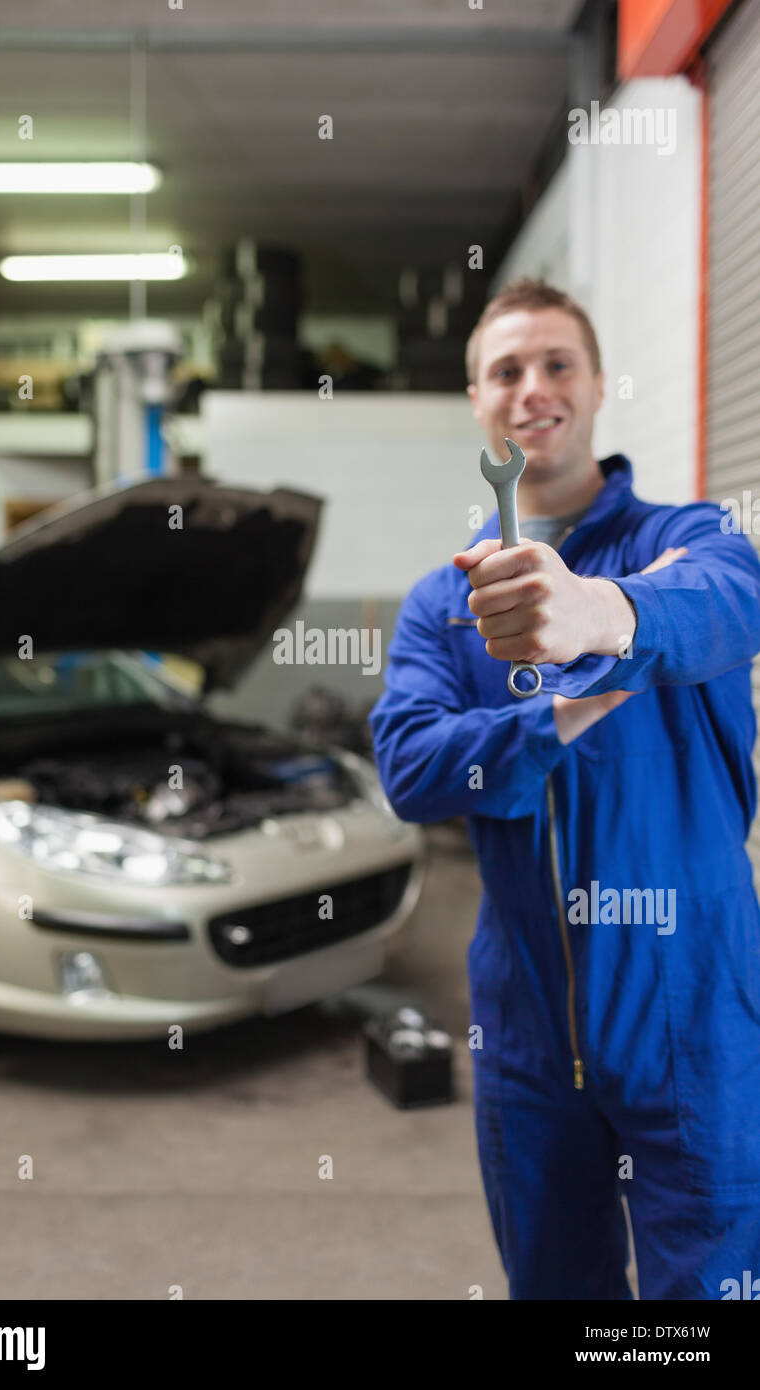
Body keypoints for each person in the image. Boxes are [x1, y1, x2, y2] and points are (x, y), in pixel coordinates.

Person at [369, 277, 760, 1301]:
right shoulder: (443, 602)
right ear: (475, 401)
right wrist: (549, 717)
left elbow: (732, 601)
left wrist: (597, 613)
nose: (531, 387)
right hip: (524, 1027)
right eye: (505, 369)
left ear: (593, 387)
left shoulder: (686, 539)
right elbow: (409, 766)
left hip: (694, 1005)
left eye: (556, 364)